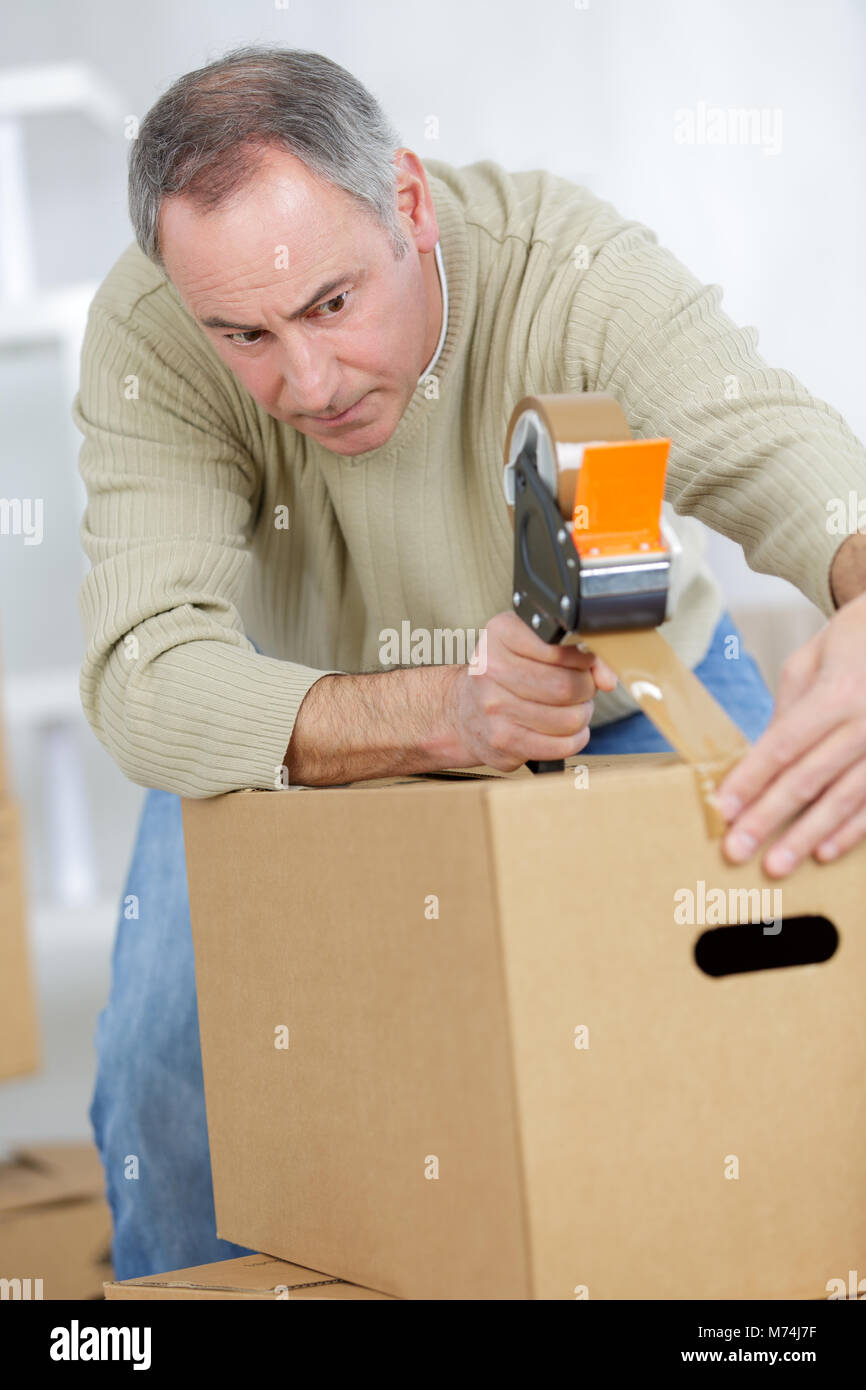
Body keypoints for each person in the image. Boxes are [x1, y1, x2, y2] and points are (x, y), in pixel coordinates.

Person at [75, 46, 866, 1279]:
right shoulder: (152, 326)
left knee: (770, 1016)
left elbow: (783, 455)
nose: (308, 380)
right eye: (244, 333)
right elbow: (144, 675)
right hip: (296, 731)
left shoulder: (570, 269)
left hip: (626, 686)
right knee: (168, 1087)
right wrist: (447, 712)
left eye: (333, 303)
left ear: (406, 201)